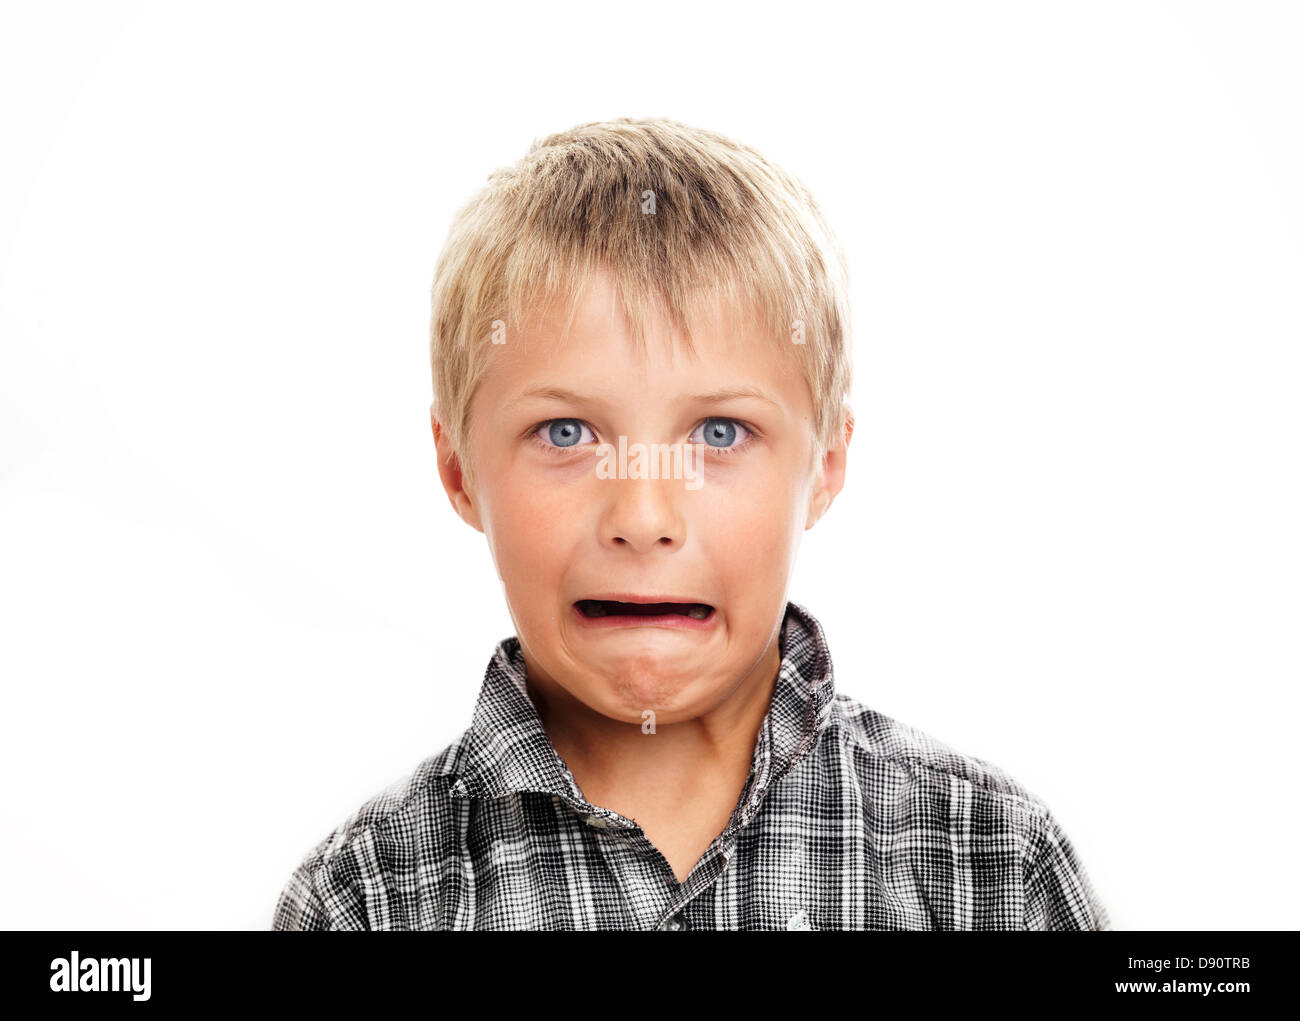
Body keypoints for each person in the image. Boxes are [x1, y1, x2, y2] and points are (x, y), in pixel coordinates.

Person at [271, 117, 1109, 930]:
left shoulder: (989, 866)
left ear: (825, 465)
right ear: (458, 468)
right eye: (567, 434)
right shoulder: (366, 900)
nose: (643, 517)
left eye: (719, 434)